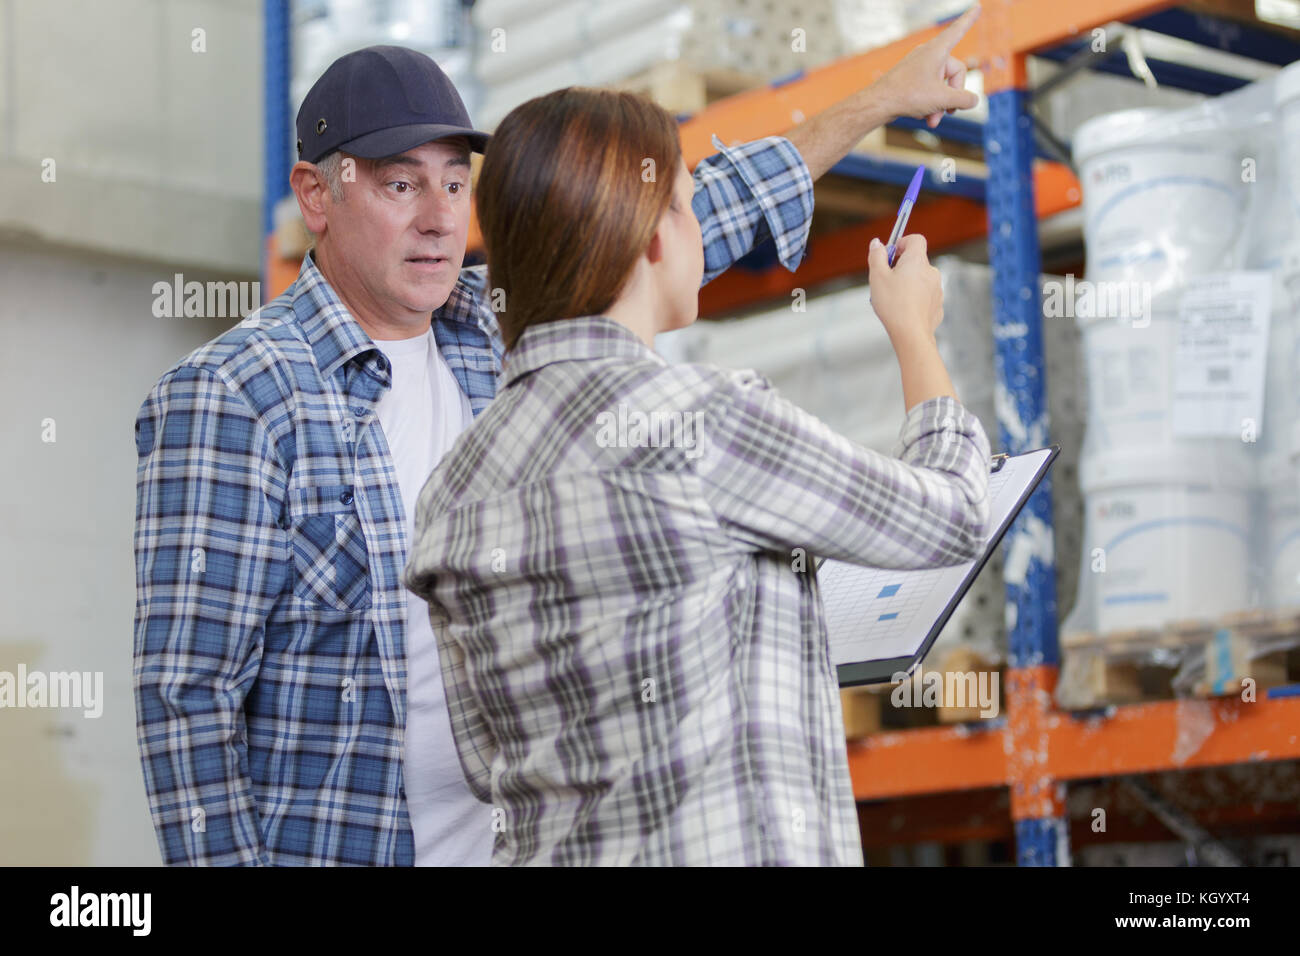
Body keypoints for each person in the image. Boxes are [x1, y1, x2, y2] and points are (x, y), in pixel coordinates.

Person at [133, 10, 985, 866]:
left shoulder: (491, 322)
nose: (439, 219)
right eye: (401, 185)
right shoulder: (233, 396)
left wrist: (881, 98)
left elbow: (698, 208)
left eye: (455, 184)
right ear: (316, 194)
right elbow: (187, 700)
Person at [402, 86, 992, 866]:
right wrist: (914, 332)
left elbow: (488, 764)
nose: (699, 231)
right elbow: (950, 517)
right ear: (650, 238)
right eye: (686, 205)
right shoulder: (702, 421)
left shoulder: (451, 491)